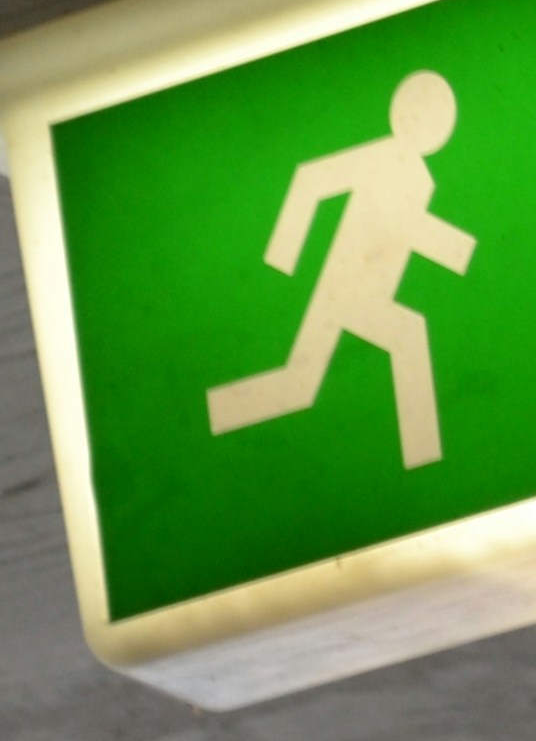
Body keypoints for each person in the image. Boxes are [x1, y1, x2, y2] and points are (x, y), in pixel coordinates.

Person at [203, 70, 476, 468]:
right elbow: (312, 180)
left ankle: (220, 409)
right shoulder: (379, 156)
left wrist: (448, 245)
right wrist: (284, 251)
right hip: (345, 291)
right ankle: (425, 454)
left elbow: (401, 226)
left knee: (299, 383)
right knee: (407, 337)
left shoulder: (421, 179)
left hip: (366, 293)